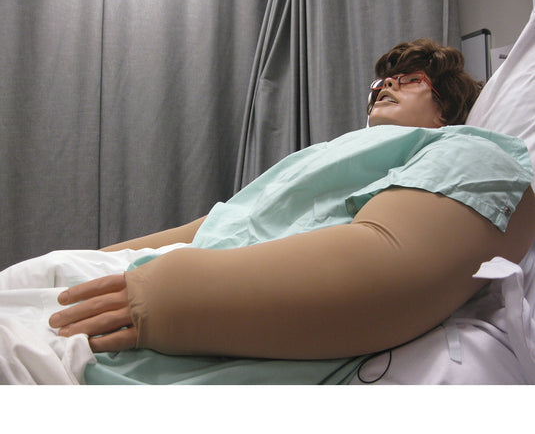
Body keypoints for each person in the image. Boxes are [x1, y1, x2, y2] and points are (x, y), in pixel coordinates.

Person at [43, 38, 534, 365]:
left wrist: (168, 297)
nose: (386, 84)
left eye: (411, 79)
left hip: (182, 301)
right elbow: (222, 221)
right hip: (159, 272)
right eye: (382, 82)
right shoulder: (325, 155)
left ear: (447, 107)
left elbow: (393, 261)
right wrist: (89, 260)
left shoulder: (468, 151)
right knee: (39, 277)